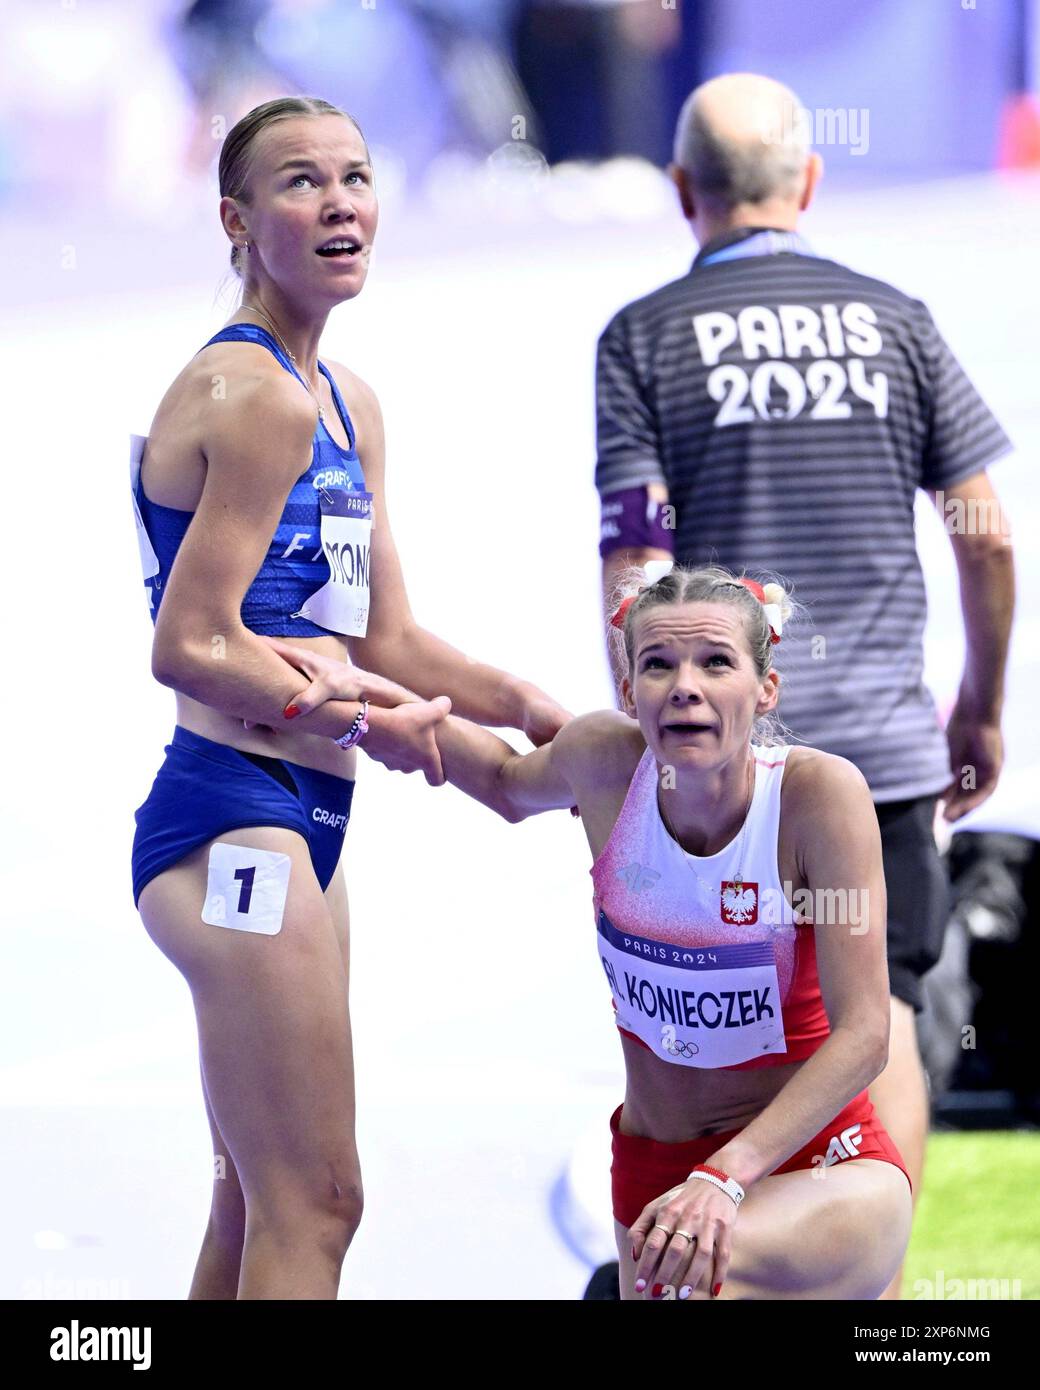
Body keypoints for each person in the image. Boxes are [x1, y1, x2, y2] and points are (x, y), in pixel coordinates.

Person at [129, 94, 570, 1300]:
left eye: (356, 178)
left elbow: (385, 635)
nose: (339, 204)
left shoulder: (344, 401)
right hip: (230, 818)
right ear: (236, 218)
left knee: (255, 1199)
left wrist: (528, 705)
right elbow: (190, 644)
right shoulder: (254, 396)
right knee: (318, 1202)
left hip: (303, 822)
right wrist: (359, 715)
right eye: (300, 184)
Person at [594, 72, 1016, 1297]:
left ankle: (702, 1261)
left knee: (715, 1036)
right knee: (871, 1024)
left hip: (721, 788)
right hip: (878, 768)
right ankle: (859, 1298)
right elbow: (983, 531)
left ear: (683, 192)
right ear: (808, 182)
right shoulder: (895, 319)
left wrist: (647, 732)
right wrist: (978, 700)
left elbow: (633, 558)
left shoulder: (645, 337)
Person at [271, 560, 913, 1299]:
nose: (685, 685)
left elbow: (866, 1035)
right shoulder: (605, 764)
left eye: (715, 663)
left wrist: (725, 1178)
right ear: (631, 689)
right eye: (657, 664)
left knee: (693, 1274)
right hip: (655, 1170)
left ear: (765, 687)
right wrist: (369, 704)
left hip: (816, 1166)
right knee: (672, 1273)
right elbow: (507, 784)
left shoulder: (818, 797)